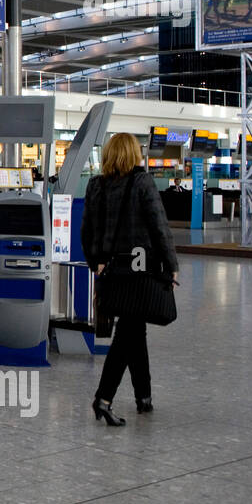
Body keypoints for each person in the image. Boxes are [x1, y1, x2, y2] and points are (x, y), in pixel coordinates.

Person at [81, 133, 180, 427]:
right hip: (139, 271)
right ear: (133, 154)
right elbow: (159, 227)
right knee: (127, 335)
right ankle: (103, 398)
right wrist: (171, 264)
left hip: (111, 272)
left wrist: (95, 263)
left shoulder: (95, 185)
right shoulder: (142, 182)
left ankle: (144, 397)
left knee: (134, 331)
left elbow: (87, 231)